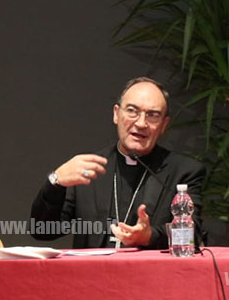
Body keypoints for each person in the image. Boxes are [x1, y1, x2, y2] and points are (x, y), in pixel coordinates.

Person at [31, 77, 205, 249]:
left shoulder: (184, 172)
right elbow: (42, 231)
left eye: (153, 115)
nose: (141, 123)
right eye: (132, 111)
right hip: (92, 275)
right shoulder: (88, 169)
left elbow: (193, 233)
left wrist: (149, 236)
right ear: (116, 114)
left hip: (151, 276)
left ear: (164, 124)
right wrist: (56, 182)